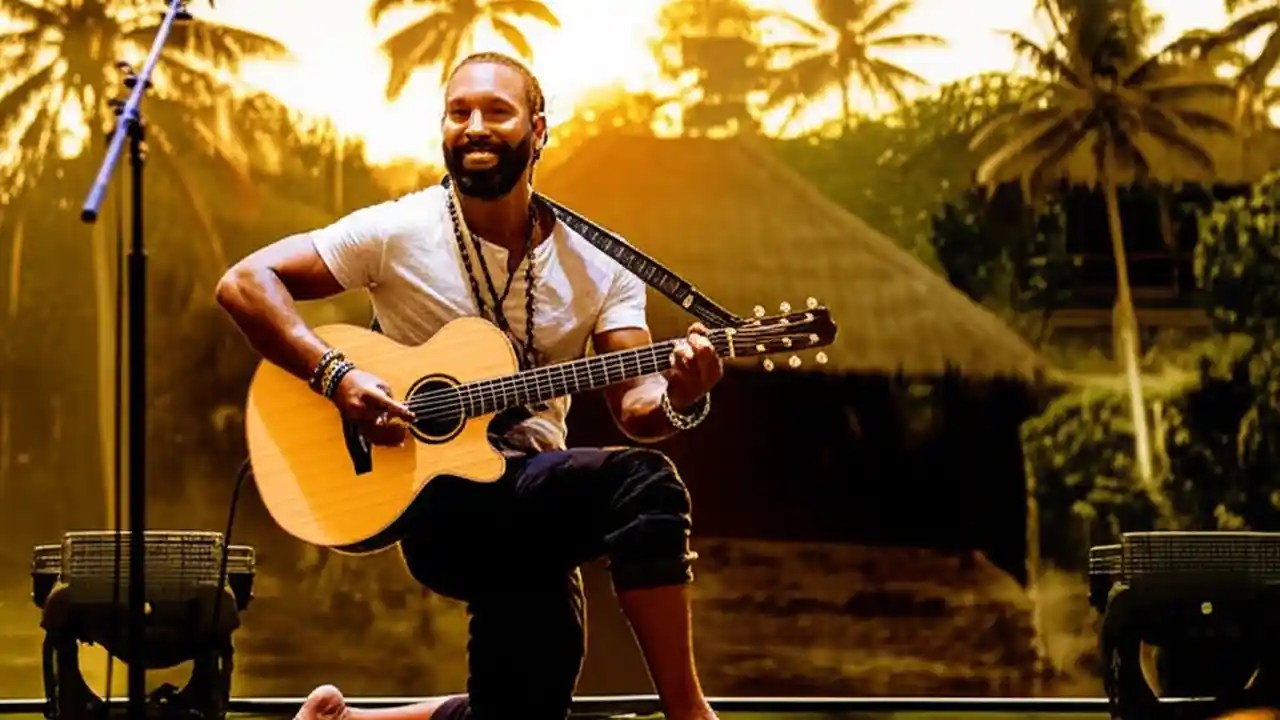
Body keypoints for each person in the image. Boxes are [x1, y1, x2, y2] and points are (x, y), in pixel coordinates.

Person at [215, 50, 723, 720]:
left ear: (538, 130)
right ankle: (689, 713)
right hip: (437, 505)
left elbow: (635, 405)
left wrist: (680, 396)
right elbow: (245, 284)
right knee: (646, 484)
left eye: (496, 112)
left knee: (521, 710)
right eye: (459, 112)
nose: (475, 126)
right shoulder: (399, 230)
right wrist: (337, 377)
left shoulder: (601, 266)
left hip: (534, 501)